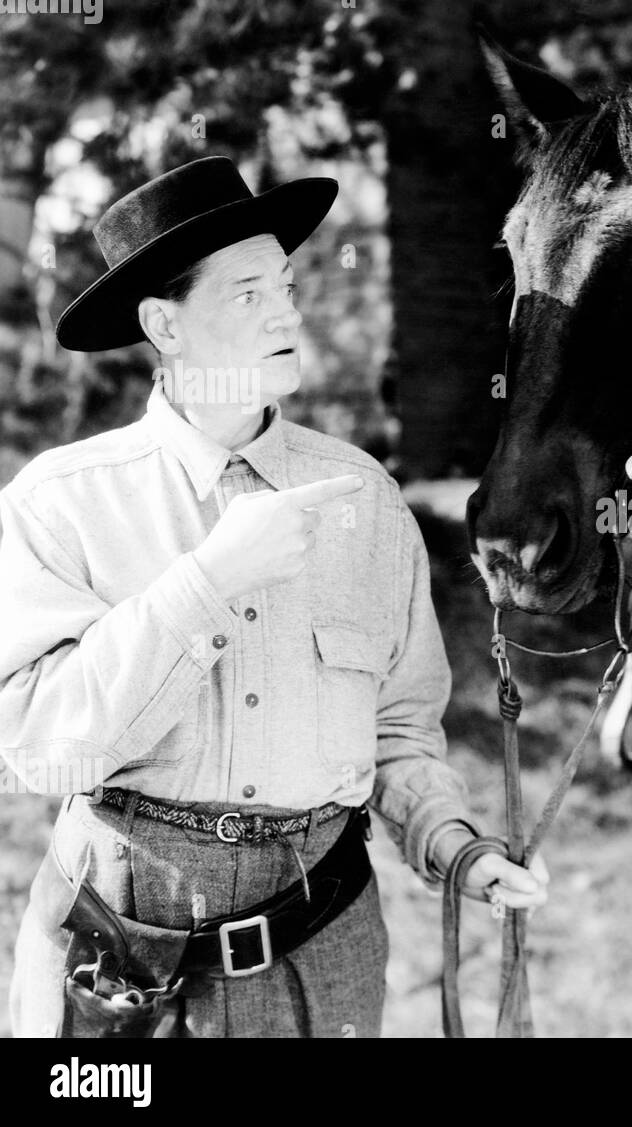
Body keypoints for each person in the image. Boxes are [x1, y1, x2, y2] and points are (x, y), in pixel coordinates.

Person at [1, 156, 547, 1037]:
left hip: (322, 952)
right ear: (162, 323)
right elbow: (31, 747)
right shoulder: (61, 502)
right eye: (248, 292)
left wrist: (451, 843)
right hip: (118, 959)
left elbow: (401, 732)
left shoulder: (362, 497)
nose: (289, 311)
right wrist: (207, 584)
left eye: (286, 284)